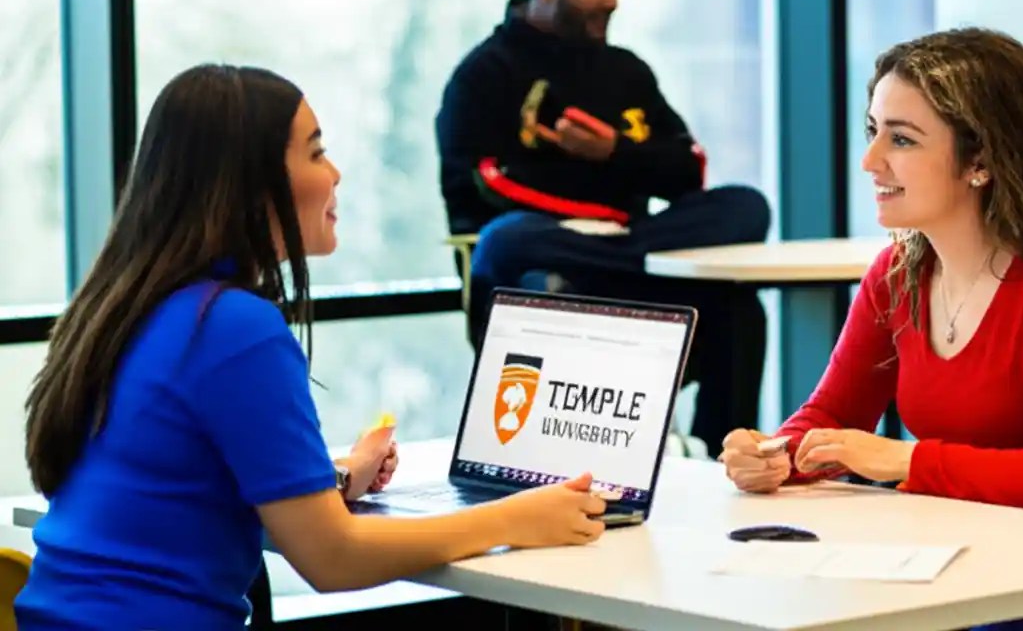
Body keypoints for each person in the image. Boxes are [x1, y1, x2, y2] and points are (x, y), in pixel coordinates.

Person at [17, 65, 608, 629]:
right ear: (252, 185)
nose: (336, 174)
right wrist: (518, 517)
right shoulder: (231, 326)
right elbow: (332, 559)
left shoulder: (128, 306)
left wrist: (331, 480)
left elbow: (179, 481)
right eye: (317, 152)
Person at [719, 29, 1023, 631]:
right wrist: (774, 457)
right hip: (971, 561)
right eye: (873, 131)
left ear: (980, 160)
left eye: (901, 139)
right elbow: (829, 418)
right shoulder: (895, 276)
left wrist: (905, 460)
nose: (871, 160)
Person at [436, 0, 771, 455]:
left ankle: (728, 458)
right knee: (508, 240)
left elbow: (689, 169)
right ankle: (617, 255)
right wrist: (606, 221)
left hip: (625, 261)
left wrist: (614, 153)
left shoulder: (626, 70)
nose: (612, 1)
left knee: (747, 213)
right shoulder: (485, 74)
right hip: (544, 261)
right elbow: (488, 181)